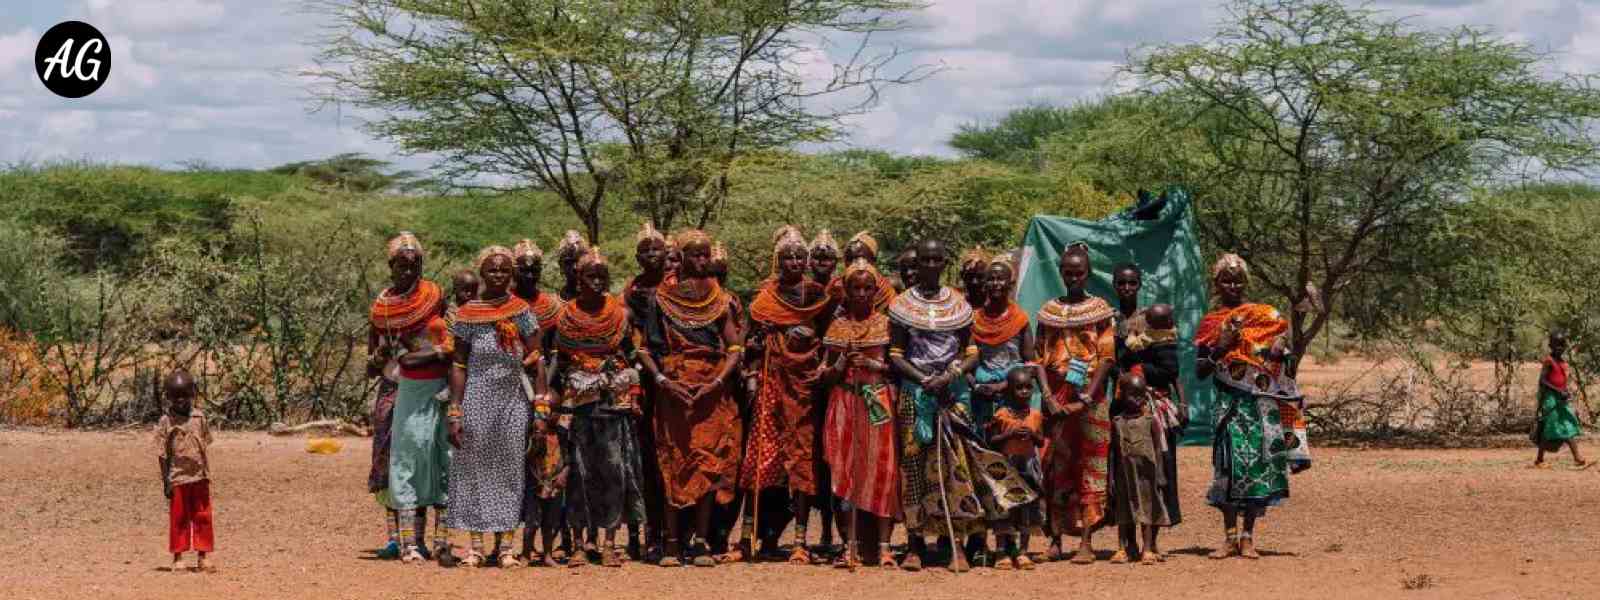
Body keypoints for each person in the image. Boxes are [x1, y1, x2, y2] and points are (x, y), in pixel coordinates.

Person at [889, 239, 1030, 572]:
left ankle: (957, 545)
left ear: (944, 263)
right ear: (917, 264)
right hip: (916, 391)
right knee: (915, 469)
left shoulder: (960, 305)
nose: (931, 265)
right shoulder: (900, 306)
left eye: (938, 259)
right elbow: (895, 354)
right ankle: (915, 544)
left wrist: (949, 375)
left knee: (957, 466)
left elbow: (971, 352)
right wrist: (926, 380)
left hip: (953, 393)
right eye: (926, 259)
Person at [636, 230, 745, 568]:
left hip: (711, 391)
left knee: (709, 462)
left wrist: (717, 381)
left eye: (705, 254)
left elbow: (734, 348)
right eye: (694, 254)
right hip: (673, 389)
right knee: (674, 460)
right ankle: (670, 543)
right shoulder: (660, 298)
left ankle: (700, 542)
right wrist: (662, 380)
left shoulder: (720, 299)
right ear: (680, 257)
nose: (701, 260)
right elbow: (645, 349)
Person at [725, 227, 832, 564]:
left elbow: (832, 337)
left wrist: (815, 351)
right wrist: (761, 343)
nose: (796, 262)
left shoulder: (818, 295)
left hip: (803, 389)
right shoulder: (765, 297)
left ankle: (801, 540)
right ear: (778, 261)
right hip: (771, 383)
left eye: (800, 256)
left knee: (801, 458)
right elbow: (748, 342)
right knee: (759, 457)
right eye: (788, 257)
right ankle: (746, 538)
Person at [446, 245, 550, 568]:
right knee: (473, 468)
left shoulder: (520, 310)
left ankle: (506, 546)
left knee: (509, 469)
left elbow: (537, 359)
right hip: (476, 396)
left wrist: (541, 408)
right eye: (492, 269)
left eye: (505, 270)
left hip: (512, 400)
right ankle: (476, 546)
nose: (499, 274)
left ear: (512, 274)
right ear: (482, 274)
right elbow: (459, 364)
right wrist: (455, 411)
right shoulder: (467, 314)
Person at [1194, 254, 1296, 560]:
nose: (1233, 285)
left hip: (1258, 401)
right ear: (1216, 283)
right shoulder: (1211, 322)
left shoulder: (1264, 315)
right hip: (1228, 402)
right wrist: (1221, 347)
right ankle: (1229, 538)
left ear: (1246, 282)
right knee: (1227, 466)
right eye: (1226, 279)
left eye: (1238, 279)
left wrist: (1280, 352)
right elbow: (1200, 369)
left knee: (1256, 467)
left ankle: (1248, 537)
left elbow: (1282, 355)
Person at [555, 247, 648, 567]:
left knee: (613, 472)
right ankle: (579, 545)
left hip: (612, 405)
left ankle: (609, 543)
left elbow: (632, 357)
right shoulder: (565, 316)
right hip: (577, 406)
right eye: (590, 276)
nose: (597, 282)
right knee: (579, 473)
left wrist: (628, 386)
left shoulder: (621, 315)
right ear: (578, 279)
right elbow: (559, 362)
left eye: (602, 277)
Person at [369, 232, 456, 565]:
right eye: (401, 265)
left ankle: (437, 540)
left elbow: (449, 344)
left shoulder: (435, 298)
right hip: (394, 390)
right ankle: (400, 540)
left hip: (434, 386)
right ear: (391, 267)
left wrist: (423, 354)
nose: (407, 271)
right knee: (396, 461)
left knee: (437, 459)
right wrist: (381, 355)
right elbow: (370, 366)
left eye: (414, 264)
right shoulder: (381, 308)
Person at [1035, 243, 1115, 564]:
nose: (1073, 277)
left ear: (1088, 273)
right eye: (1067, 272)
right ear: (1061, 272)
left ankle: (1086, 541)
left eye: (1078, 272)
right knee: (1054, 466)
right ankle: (1054, 538)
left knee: (1089, 467)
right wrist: (1048, 397)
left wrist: (1085, 397)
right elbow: (1038, 358)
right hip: (1055, 399)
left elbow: (1107, 358)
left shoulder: (1101, 311)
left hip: (1090, 400)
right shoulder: (1048, 312)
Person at [821, 259, 901, 570]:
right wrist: (842, 362)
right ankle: (848, 546)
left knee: (882, 471)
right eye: (856, 288)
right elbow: (826, 375)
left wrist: (873, 365)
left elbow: (897, 366)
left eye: (868, 288)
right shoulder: (838, 326)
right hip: (845, 402)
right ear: (847, 290)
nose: (862, 293)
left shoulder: (886, 324)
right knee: (845, 472)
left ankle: (884, 548)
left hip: (877, 401)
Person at [1110, 266, 1185, 563]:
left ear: (1139, 284)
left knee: (1155, 471)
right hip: (1121, 404)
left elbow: (1171, 367)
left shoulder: (1154, 317)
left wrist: (1182, 401)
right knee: (1122, 473)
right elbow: (1108, 363)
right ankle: (1125, 542)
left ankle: (1150, 542)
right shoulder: (1110, 320)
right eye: (1121, 282)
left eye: (1132, 282)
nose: (1127, 287)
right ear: (1114, 285)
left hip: (1153, 404)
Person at [625, 222, 671, 562]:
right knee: (646, 457)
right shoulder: (632, 290)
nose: (652, 254)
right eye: (646, 250)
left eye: (657, 249)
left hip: (676, 372)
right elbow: (631, 333)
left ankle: (677, 533)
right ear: (638, 256)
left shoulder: (678, 287)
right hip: (643, 372)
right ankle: (649, 531)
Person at [988, 367, 1047, 571]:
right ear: (1009, 391)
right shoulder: (1002, 415)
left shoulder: (1036, 415)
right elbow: (993, 441)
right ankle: (1002, 551)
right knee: (1004, 506)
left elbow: (1040, 441)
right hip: (1006, 467)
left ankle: (1022, 552)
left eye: (1028, 387)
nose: (1024, 392)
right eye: (1019, 388)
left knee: (1026, 508)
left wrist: (1031, 434)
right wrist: (1009, 434)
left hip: (1028, 466)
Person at [156, 369, 215, 573]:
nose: (180, 400)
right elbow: (162, 454)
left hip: (200, 476)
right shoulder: (165, 421)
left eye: (185, 395)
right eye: (175, 396)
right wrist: (166, 481)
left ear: (193, 394)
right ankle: (178, 557)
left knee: (202, 516)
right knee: (178, 518)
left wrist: (206, 473)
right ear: (168, 397)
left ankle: (203, 556)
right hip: (178, 478)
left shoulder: (200, 417)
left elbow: (205, 443)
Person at [521, 409, 570, 567]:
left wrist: (563, 476)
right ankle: (526, 554)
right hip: (536, 485)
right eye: (549, 411)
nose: (553, 415)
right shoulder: (534, 433)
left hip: (555, 485)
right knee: (532, 523)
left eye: (557, 411)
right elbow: (527, 459)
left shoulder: (563, 435)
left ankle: (548, 555)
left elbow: (569, 460)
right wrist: (536, 441)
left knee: (550, 523)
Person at [1533, 332, 1589, 469]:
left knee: (1566, 425)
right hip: (1551, 400)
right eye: (1557, 344)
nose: (1560, 347)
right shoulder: (1549, 361)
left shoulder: (1563, 363)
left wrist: (1565, 392)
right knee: (1552, 428)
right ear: (1551, 345)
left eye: (1562, 345)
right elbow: (1543, 381)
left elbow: (1561, 382)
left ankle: (1575, 457)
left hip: (1561, 399)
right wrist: (1559, 391)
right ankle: (1540, 460)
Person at [556, 230, 589, 302]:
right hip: (569, 267)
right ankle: (570, 295)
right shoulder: (564, 248)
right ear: (567, 238)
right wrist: (571, 248)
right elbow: (562, 259)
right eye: (570, 237)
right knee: (572, 280)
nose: (573, 238)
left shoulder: (583, 247)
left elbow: (586, 256)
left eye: (576, 236)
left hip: (581, 267)